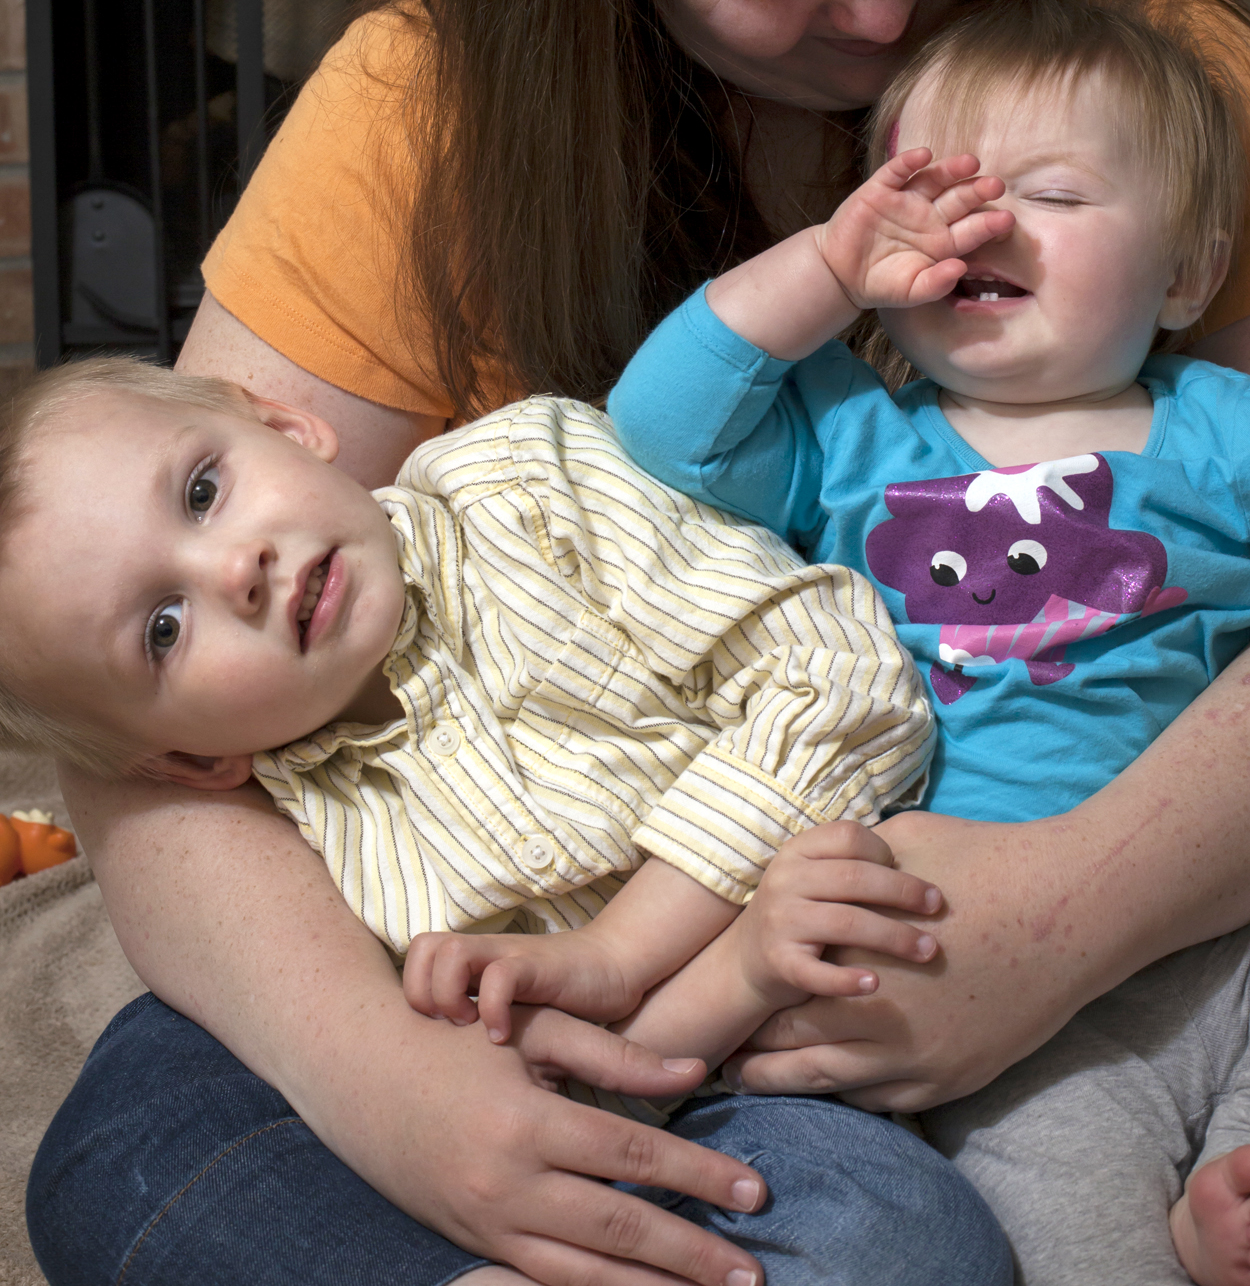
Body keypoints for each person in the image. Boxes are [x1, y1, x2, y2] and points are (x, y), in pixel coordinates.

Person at [27, 0, 1250, 1286]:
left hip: (837, 980)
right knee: (130, 1149)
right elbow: (142, 740)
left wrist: (1060, 925)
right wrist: (397, 1098)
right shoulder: (420, 109)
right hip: (451, 948)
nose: (877, 8)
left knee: (901, 1242)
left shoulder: (1131, 86)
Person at [9, 359, 1013, 1284]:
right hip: (591, 1133)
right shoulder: (289, 836)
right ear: (191, 760)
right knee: (124, 1163)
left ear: (282, 422)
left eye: (201, 493)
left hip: (784, 1084)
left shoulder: (529, 484)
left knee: (901, 1236)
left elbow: (842, 682)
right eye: (162, 629)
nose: (236, 570)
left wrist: (663, 955)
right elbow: (521, 1117)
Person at [608, 0, 1250, 1286]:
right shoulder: (856, 443)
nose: (986, 222)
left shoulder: (1221, 427)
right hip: (992, 987)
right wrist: (826, 269)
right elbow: (660, 419)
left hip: (1224, 913)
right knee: (1062, 1227)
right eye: (932, 195)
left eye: (1054, 195)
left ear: (1185, 270)